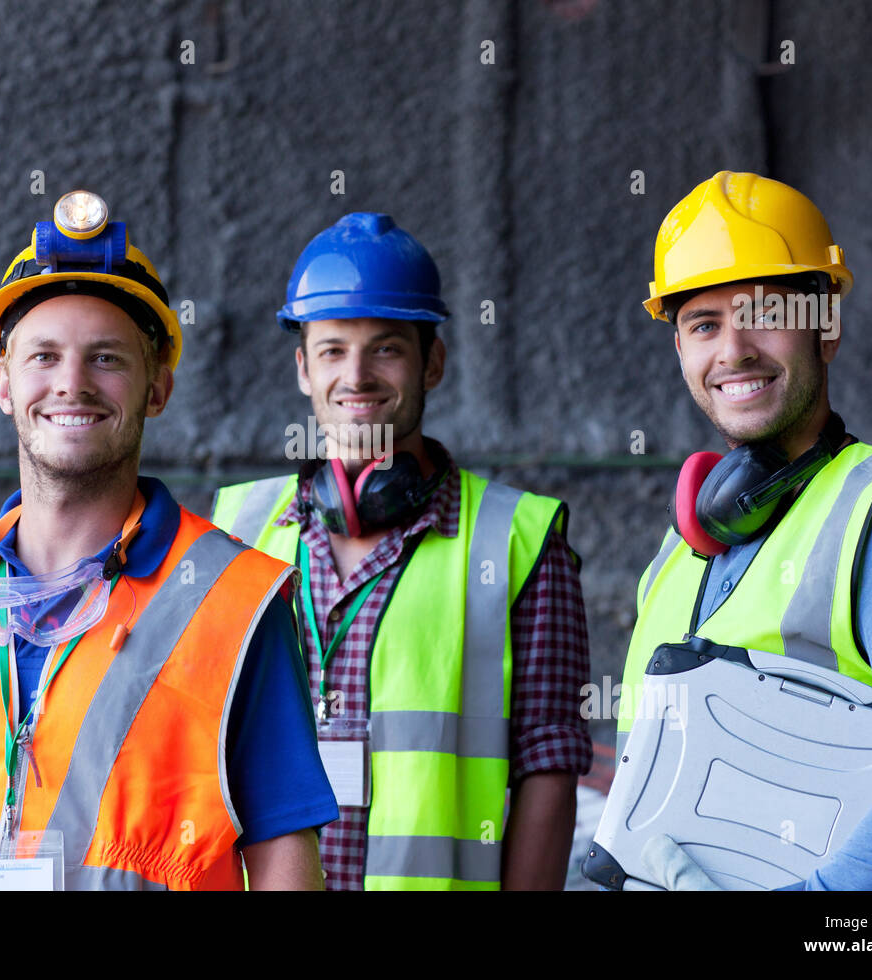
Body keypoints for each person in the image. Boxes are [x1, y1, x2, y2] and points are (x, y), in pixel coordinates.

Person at [0, 191, 337, 890]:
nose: (71, 384)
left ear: (157, 387)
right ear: (4, 384)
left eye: (106, 358)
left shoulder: (232, 600)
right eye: (43, 356)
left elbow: (284, 860)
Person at [621, 171, 872, 889]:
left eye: (762, 313)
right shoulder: (682, 549)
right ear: (681, 353)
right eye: (703, 325)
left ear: (826, 332)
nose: (733, 351)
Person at [211, 212, 592, 890]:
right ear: (303, 368)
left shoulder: (520, 540)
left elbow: (550, 764)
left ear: (433, 363)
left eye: (385, 349)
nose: (355, 376)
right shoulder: (234, 529)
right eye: (331, 350)